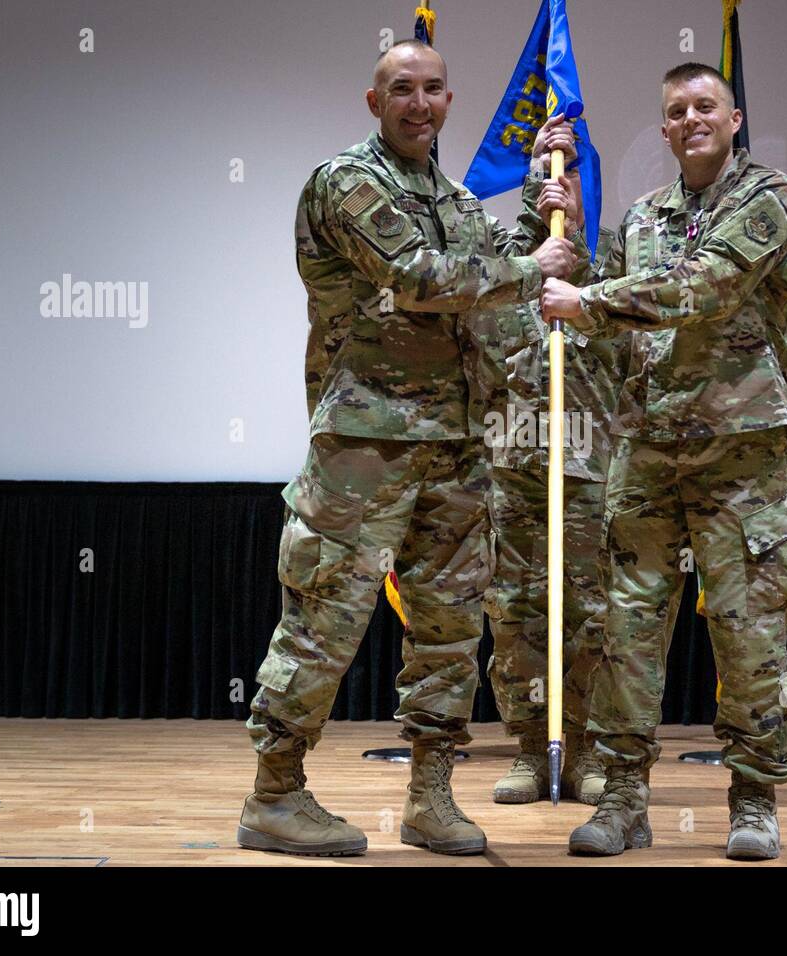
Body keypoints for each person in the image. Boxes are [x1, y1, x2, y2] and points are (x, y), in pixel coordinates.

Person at [238, 38, 577, 858]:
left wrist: (540, 194)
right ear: (373, 100)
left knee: (451, 631)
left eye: (432, 89)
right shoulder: (346, 183)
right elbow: (423, 278)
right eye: (402, 89)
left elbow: (489, 272)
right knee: (325, 619)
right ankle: (274, 797)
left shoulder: (453, 198)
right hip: (366, 444)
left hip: (456, 448)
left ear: (449, 102)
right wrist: (533, 267)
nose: (418, 103)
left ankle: (430, 797)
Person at [540, 62, 787, 859]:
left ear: (734, 119)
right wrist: (569, 229)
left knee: (749, 637)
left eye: (706, 106)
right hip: (648, 451)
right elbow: (616, 320)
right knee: (625, 634)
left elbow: (707, 285)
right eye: (676, 111)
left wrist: (587, 300)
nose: (692, 118)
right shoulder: (641, 218)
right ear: (664, 129)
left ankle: (754, 801)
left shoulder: (771, 200)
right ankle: (624, 800)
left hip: (743, 457)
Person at [463, 170, 622, 803]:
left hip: (587, 470)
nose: (550, 185)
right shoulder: (500, 267)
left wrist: (578, 241)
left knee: (590, 615)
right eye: (538, 171)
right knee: (516, 612)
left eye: (563, 168)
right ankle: (531, 749)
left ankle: (584, 750)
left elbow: (631, 339)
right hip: (513, 470)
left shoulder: (611, 260)